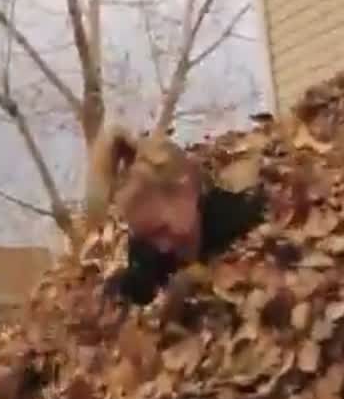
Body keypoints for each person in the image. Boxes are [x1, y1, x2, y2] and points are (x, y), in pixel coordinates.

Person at [85, 124, 266, 307]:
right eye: (146, 237)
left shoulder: (241, 218)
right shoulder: (146, 256)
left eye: (161, 230)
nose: (160, 247)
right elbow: (134, 289)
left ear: (187, 190)